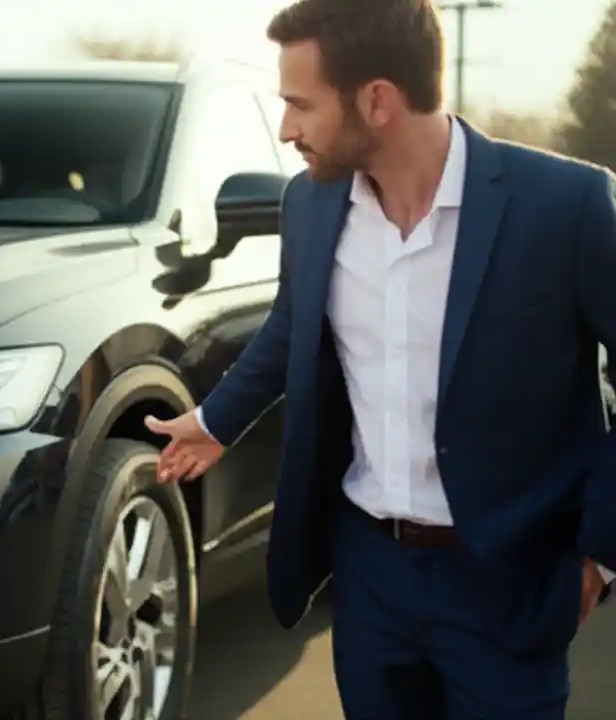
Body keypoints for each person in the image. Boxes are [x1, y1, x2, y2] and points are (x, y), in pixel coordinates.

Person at [143, 0, 616, 717]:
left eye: (300, 105)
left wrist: (598, 556)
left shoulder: (567, 205)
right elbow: (294, 323)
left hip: (511, 582)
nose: (286, 130)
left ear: (377, 100)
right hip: (370, 578)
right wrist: (215, 420)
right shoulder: (309, 204)